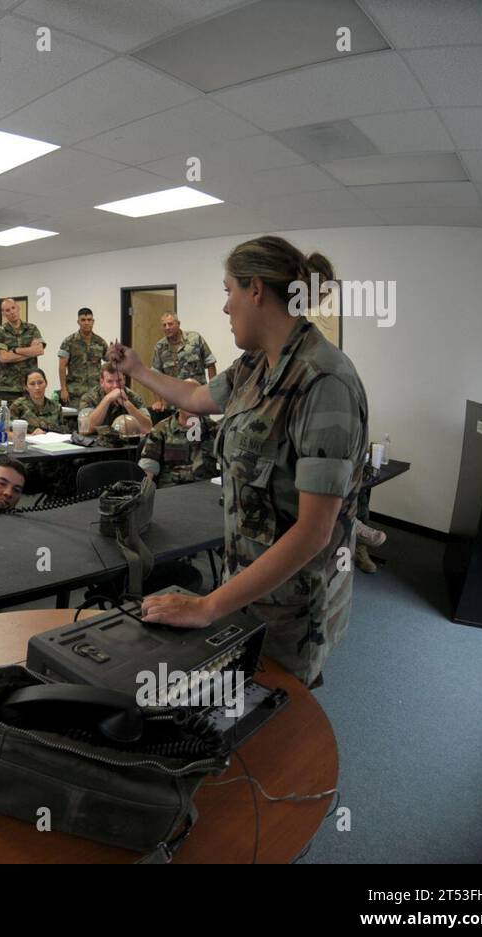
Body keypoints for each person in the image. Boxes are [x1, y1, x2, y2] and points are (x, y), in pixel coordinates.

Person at [109, 236, 368, 688]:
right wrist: (136, 369)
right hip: (244, 587)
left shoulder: (323, 381)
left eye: (228, 291)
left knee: (276, 725)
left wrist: (207, 606)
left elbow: (314, 532)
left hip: (291, 605)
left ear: (255, 290)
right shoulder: (256, 364)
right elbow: (194, 395)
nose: (226, 307)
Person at [149, 312, 216, 415]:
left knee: (202, 429)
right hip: (174, 403)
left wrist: (213, 392)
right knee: (177, 430)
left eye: (170, 324)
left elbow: (210, 363)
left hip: (198, 399)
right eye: (164, 325)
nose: (167, 327)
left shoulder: (195, 339)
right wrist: (158, 401)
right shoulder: (160, 347)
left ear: (178, 324)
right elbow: (155, 375)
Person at [137, 404, 218, 486]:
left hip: (207, 487)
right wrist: (145, 494)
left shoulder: (214, 428)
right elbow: (148, 470)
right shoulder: (161, 429)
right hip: (173, 489)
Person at [0, 297, 45, 403]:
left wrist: (16, 350)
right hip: (8, 387)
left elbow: (39, 350)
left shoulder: (32, 329)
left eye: (13, 308)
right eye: (7, 310)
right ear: (3, 313)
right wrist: (30, 351)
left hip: (31, 386)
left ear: (18, 308)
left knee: (31, 418)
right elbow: (4, 358)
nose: (12, 312)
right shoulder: (0, 332)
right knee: (10, 418)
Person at [78, 363, 152, 434]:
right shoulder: (89, 398)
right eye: (110, 381)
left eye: (119, 380)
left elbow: (147, 428)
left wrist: (126, 403)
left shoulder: (133, 397)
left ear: (124, 380)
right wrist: (107, 399)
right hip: (96, 443)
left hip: (126, 444)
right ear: (102, 382)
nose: (115, 386)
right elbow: (85, 429)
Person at [58, 308, 108, 407]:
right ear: (78, 322)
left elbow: (109, 361)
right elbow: (62, 367)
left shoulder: (100, 342)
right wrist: (63, 389)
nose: (86, 323)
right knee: (76, 420)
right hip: (75, 393)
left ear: (93, 322)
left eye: (89, 320)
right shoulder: (69, 342)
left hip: (95, 392)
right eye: (83, 320)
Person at [10, 369, 68, 434]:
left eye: (40, 383)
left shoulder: (56, 407)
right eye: (32, 384)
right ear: (26, 387)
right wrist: (30, 436)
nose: (37, 387)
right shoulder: (18, 405)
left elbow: (64, 431)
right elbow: (7, 432)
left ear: (46, 383)